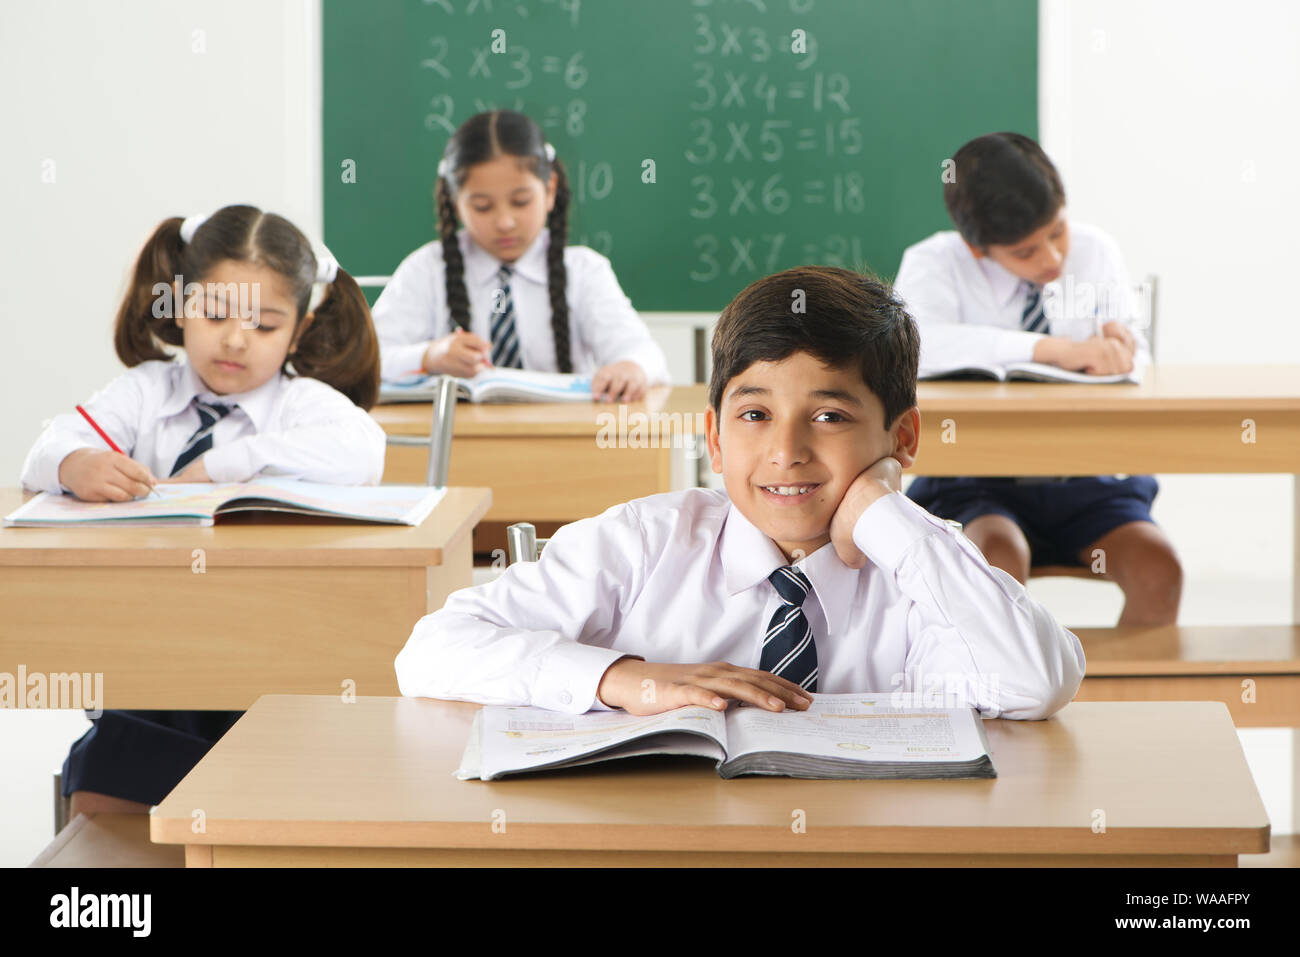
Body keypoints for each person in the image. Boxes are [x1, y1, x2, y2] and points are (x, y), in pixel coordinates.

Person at [396, 266, 1084, 721]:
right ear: (715, 439)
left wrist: (884, 512)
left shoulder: (919, 568)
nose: (786, 450)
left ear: (903, 436)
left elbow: (1035, 680)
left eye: (830, 416)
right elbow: (429, 650)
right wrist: (630, 679)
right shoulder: (644, 542)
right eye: (754, 415)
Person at [22, 204, 386, 815]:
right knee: (122, 747)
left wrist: (225, 465)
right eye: (214, 314)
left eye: (266, 326)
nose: (235, 339)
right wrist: (74, 464)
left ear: (299, 330)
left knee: (253, 755)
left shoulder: (305, 407)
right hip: (150, 644)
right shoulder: (145, 392)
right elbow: (48, 446)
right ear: (180, 306)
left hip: (271, 650)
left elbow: (363, 452)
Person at [895, 132, 1181, 625]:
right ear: (978, 248)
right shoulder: (934, 263)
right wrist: (1057, 351)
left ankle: (1130, 697)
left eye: (1057, 233)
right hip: (976, 479)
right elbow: (918, 348)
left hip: (1087, 475)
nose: (1051, 259)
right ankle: (1009, 698)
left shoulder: (1095, 252)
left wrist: (1122, 352)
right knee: (998, 562)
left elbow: (1135, 356)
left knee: (1160, 570)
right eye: (1026, 252)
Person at [371, 109, 669, 402]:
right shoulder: (427, 269)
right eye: (483, 207)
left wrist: (631, 368)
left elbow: (645, 355)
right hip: (456, 442)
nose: (505, 222)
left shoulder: (584, 271)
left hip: (566, 441)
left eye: (521, 201)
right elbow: (366, 360)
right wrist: (428, 356)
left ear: (550, 190)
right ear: (455, 202)